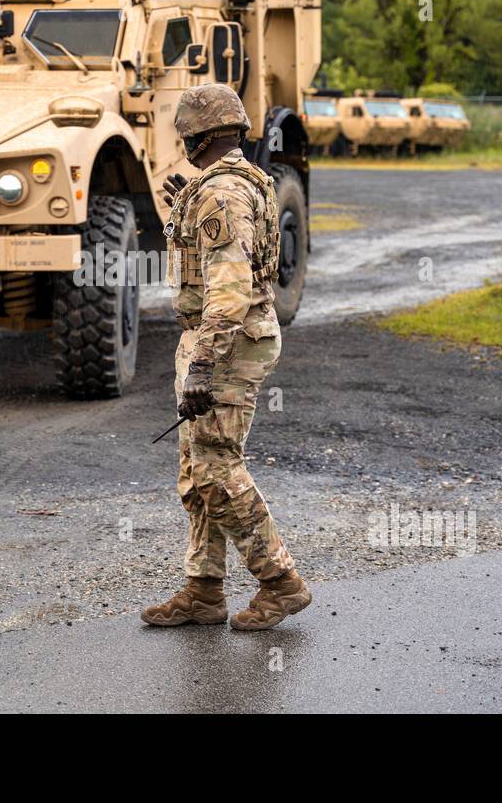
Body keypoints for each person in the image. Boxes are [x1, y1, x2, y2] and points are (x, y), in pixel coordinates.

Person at [141, 83, 311, 631]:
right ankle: (204, 590)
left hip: (228, 344)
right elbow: (217, 256)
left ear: (197, 136)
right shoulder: (232, 186)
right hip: (216, 339)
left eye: (185, 135)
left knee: (217, 466)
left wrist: (204, 366)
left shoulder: (221, 195)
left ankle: (280, 582)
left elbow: (231, 291)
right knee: (197, 472)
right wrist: (182, 213)